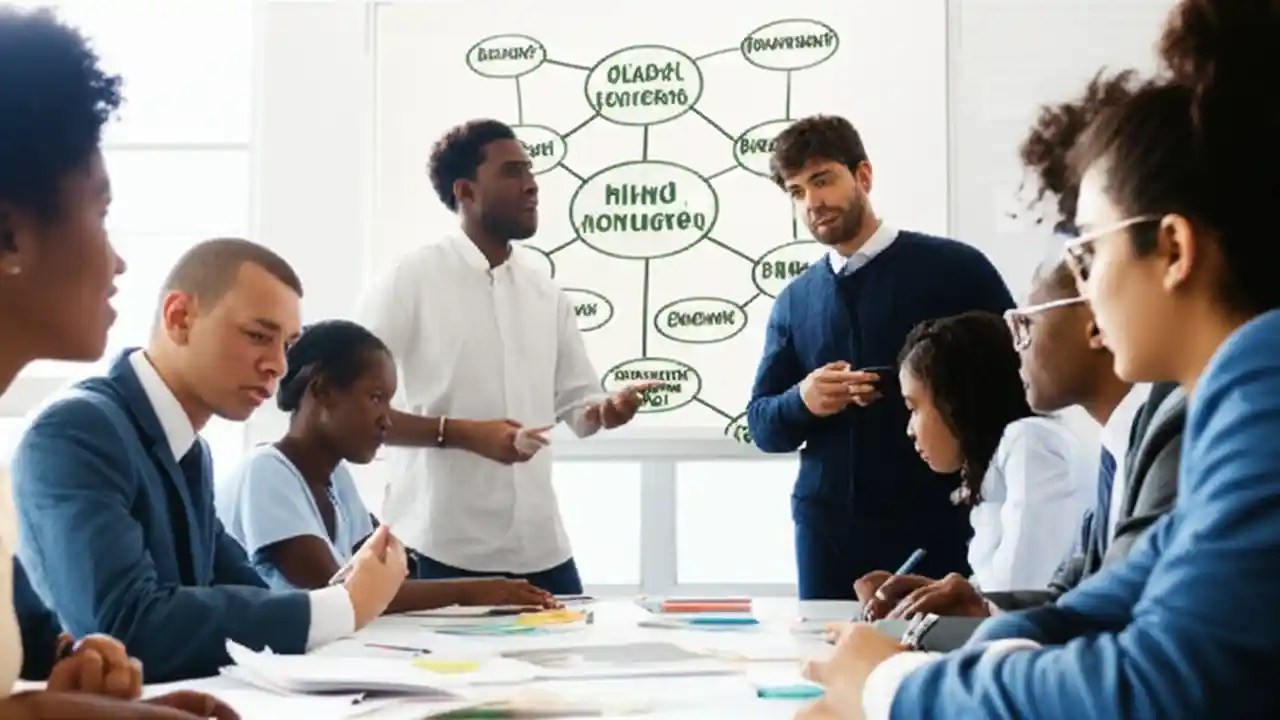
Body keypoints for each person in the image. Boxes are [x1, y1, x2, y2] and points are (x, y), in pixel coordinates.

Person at [799, 0, 1280, 716]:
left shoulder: (1263, 390)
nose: (1080, 288)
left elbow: (1162, 685)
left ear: (1173, 250)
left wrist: (892, 686)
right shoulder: (1228, 394)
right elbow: (1097, 608)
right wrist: (938, 652)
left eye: (1086, 250)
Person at [856, 70, 1182, 623]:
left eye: (1088, 257)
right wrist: (985, 609)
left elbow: (1136, 653)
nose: (1016, 344)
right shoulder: (1127, 437)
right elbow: (1082, 604)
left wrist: (899, 688)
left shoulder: (1192, 427)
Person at [11, 238, 409, 683]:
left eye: (288, 345)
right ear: (179, 318)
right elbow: (124, 625)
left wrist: (345, 595)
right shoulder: (78, 428)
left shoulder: (190, 450)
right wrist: (344, 604)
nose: (278, 365)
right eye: (259, 336)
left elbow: (245, 589)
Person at [0, 6, 237, 717]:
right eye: (100, 215)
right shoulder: (80, 429)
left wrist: (67, 702)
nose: (117, 261)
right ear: (9, 232)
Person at [355, 119, 654, 595]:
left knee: (564, 665)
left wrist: (606, 410)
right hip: (441, 546)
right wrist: (459, 434)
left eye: (530, 171)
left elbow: (579, 406)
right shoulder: (409, 279)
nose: (532, 185)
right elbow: (355, 408)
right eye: (513, 172)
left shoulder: (546, 291)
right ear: (466, 191)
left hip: (542, 547)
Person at [745, 115, 1016, 599]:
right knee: (831, 663)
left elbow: (1017, 381)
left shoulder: (957, 269)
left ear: (863, 176)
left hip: (940, 521)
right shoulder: (794, 300)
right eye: (796, 191)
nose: (813, 203)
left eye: (823, 180)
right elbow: (762, 425)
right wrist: (802, 400)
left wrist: (916, 387)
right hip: (826, 532)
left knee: (934, 658)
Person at [217, 319, 560, 610]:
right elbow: (343, 593)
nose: (387, 419)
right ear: (322, 392)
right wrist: (477, 591)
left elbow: (384, 571)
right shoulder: (266, 474)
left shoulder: (335, 478)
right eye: (375, 398)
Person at [893, 312, 1086, 593]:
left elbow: (1018, 591)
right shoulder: (995, 466)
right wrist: (933, 592)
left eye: (914, 408)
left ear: (954, 399)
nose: (909, 430)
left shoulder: (1029, 442)